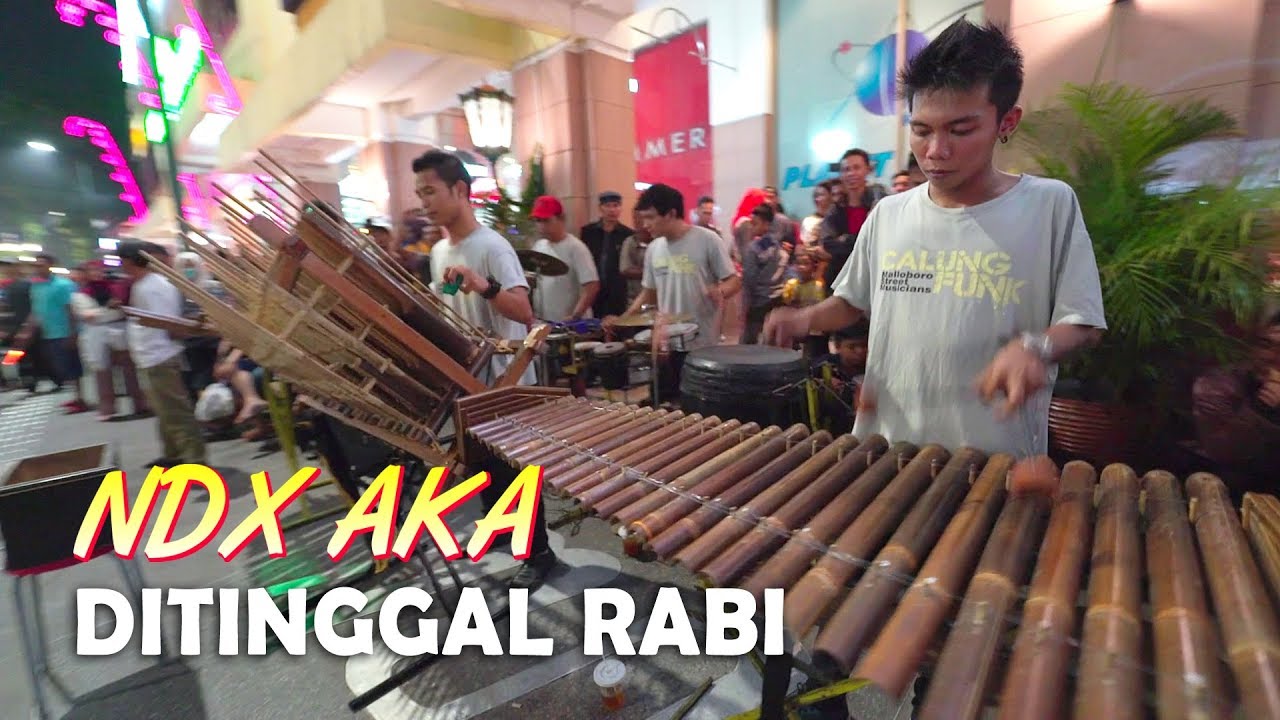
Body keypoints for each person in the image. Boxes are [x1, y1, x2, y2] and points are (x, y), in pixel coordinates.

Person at [764, 18, 1106, 461]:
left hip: (993, 462)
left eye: (960, 130)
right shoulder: (889, 214)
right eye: (922, 129)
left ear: (1007, 121)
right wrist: (802, 320)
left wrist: (1034, 347)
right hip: (887, 453)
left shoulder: (1049, 205)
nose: (935, 151)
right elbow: (852, 301)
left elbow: (1084, 322)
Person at [414, 149, 556, 589]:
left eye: (431, 191)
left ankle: (540, 553)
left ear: (460, 190)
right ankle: (503, 531)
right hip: (467, 380)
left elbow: (525, 312)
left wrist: (482, 284)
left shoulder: (492, 246)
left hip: (506, 378)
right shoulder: (438, 251)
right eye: (420, 193)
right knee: (485, 467)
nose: (425, 202)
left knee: (516, 468)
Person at [607, 183, 740, 352]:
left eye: (650, 217)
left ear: (671, 213)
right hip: (666, 343)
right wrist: (622, 320)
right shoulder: (654, 248)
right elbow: (649, 293)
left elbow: (734, 281)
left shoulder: (707, 239)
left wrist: (720, 291)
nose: (644, 224)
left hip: (703, 341)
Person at [119, 241, 208, 467]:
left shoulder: (153, 286)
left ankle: (195, 462)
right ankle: (174, 454)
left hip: (159, 356)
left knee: (176, 412)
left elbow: (169, 324)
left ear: (129, 261)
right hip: (151, 356)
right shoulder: (144, 285)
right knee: (164, 411)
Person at [26, 253, 89, 413]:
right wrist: (28, 330)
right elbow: (36, 311)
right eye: (36, 265)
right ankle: (76, 397)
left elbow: (71, 309)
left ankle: (80, 399)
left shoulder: (63, 285)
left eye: (41, 264)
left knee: (72, 367)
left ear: (50, 265)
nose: (38, 268)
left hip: (64, 332)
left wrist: (73, 333)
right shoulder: (36, 287)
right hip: (48, 332)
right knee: (61, 367)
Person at [529, 195, 600, 322]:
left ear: (561, 218)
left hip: (571, 326)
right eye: (538, 221)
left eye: (546, 221)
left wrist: (575, 316)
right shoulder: (539, 246)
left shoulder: (576, 247)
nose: (541, 226)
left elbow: (591, 286)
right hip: (545, 322)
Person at [740, 204, 789, 345]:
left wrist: (744, 307)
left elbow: (749, 280)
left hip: (758, 303)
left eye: (754, 223)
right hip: (778, 300)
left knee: (750, 345)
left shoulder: (754, 249)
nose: (750, 227)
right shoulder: (779, 246)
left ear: (766, 224)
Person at [579, 190, 633, 319]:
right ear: (600, 208)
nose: (612, 210)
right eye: (608, 206)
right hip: (593, 290)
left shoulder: (627, 234)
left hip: (618, 292)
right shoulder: (588, 232)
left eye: (616, 206)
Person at [618, 209, 652, 307]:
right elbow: (625, 269)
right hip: (635, 299)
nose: (637, 222)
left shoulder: (660, 241)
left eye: (641, 218)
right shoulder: (630, 242)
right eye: (635, 218)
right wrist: (654, 272)